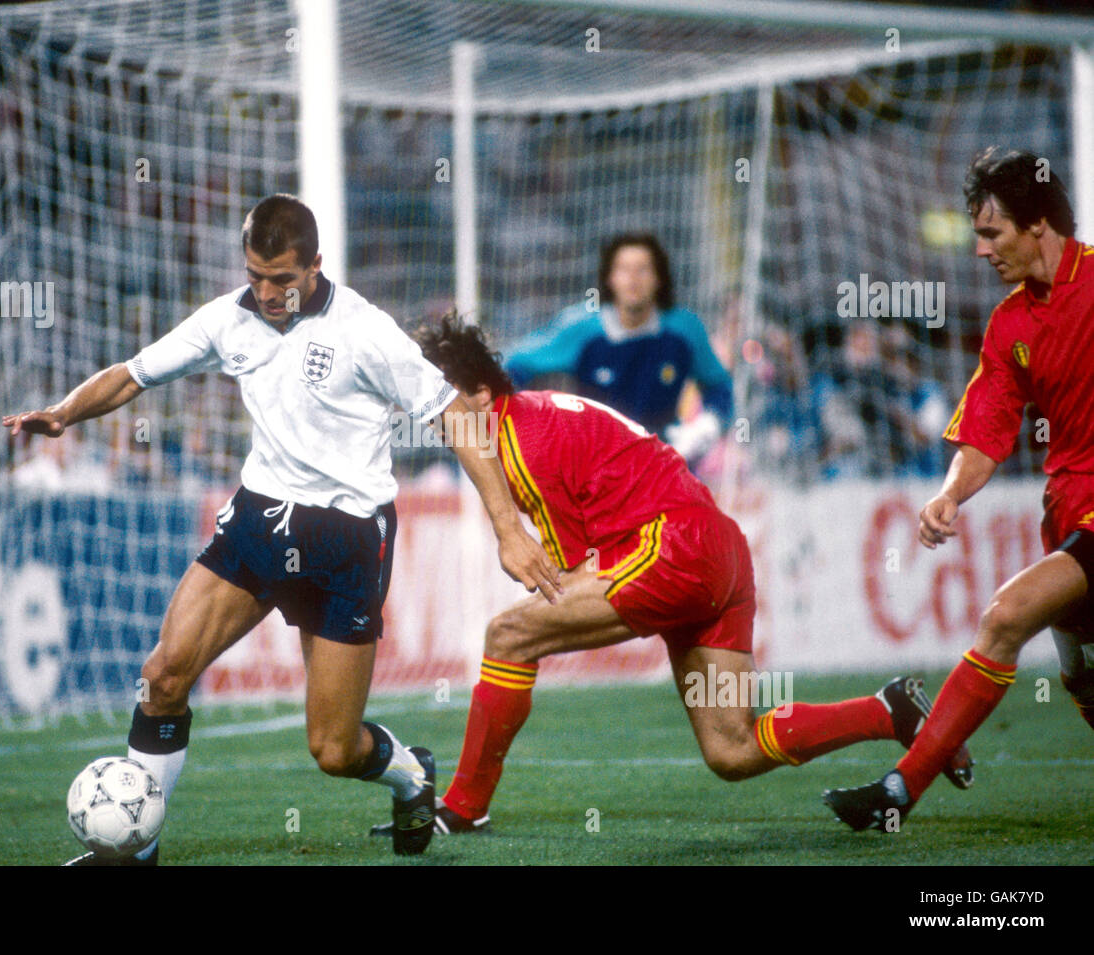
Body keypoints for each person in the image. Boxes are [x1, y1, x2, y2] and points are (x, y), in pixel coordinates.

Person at [2, 195, 560, 862]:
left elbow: (458, 419)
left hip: (347, 540)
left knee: (332, 747)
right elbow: (133, 375)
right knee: (164, 675)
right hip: (260, 521)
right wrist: (64, 413)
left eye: (281, 280)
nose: (265, 294)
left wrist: (507, 527)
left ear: (316, 266)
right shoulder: (228, 318)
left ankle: (409, 772)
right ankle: (132, 849)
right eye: (254, 277)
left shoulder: (366, 331)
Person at [371, 316, 970, 837]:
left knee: (509, 637)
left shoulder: (515, 442)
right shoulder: (537, 416)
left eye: (436, 400)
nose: (429, 416)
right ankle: (887, 710)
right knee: (731, 749)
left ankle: (466, 806)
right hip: (719, 555)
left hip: (671, 549)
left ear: (477, 396)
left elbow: (569, 571)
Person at [823, 147, 1093, 831]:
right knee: (1085, 681)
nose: (979, 249)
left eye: (991, 232)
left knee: (1005, 617)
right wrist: (949, 495)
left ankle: (897, 792)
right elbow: (987, 430)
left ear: (1038, 225)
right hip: (1066, 507)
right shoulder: (1009, 325)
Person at [504, 233, 732, 461]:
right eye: (623, 269)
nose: (633, 279)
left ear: (659, 278)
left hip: (664, 459)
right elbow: (516, 365)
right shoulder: (582, 328)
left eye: (643, 269)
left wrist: (706, 426)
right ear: (610, 278)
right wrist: (522, 427)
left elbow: (719, 385)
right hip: (595, 465)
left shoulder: (685, 329)